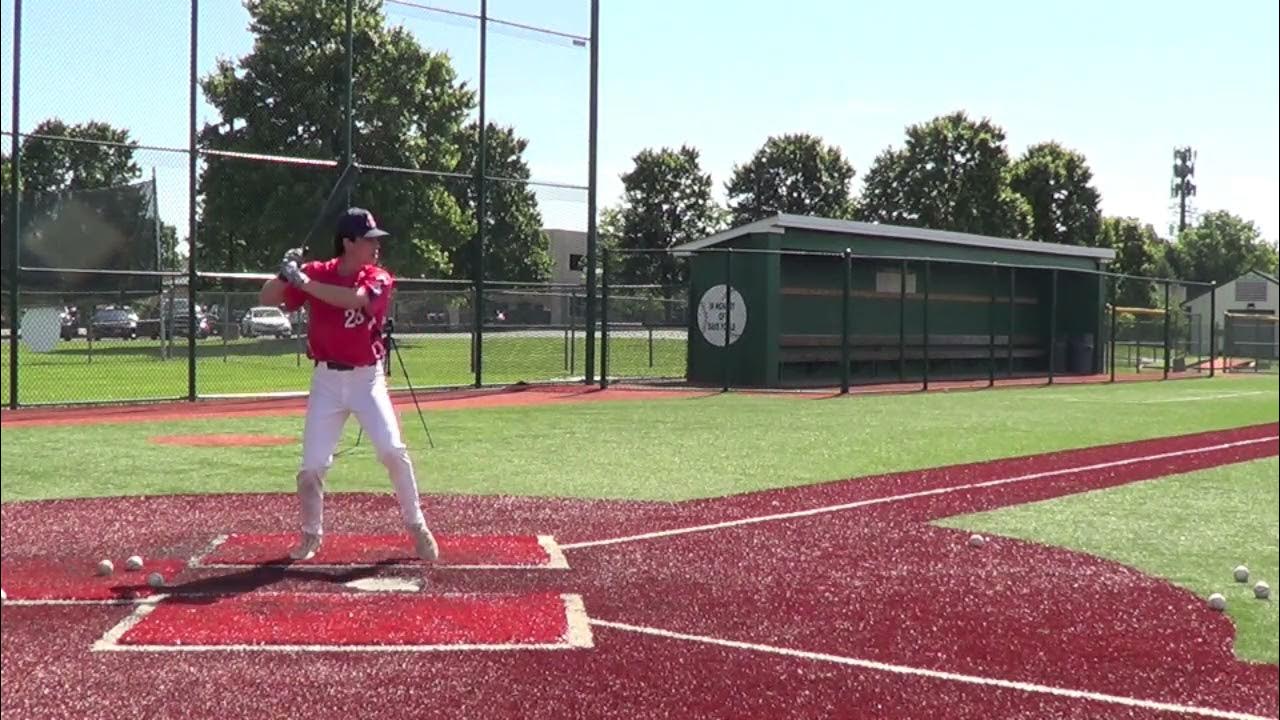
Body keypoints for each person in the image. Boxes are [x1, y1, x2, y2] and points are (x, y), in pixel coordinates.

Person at [259, 207, 438, 563]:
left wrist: (303, 282)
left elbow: (354, 300)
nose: (375, 246)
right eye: (368, 240)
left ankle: (417, 524)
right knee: (312, 467)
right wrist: (284, 273)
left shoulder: (378, 277)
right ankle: (310, 535)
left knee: (391, 450)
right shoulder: (316, 272)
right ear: (347, 243)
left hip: (366, 379)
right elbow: (267, 298)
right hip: (326, 380)